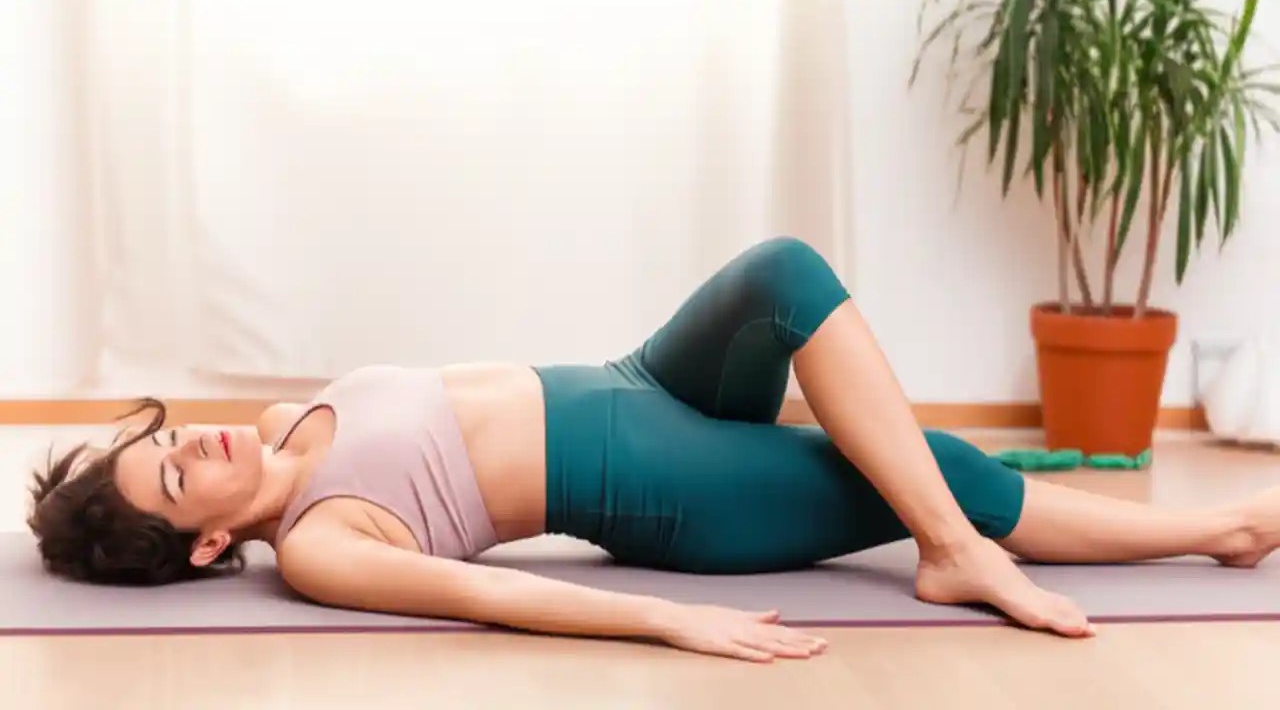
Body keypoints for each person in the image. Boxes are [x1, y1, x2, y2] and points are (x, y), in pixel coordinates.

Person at [25, 236, 1280, 663]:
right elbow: (493, 594)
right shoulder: (320, 547)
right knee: (933, 469)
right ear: (204, 541)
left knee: (784, 272)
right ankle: (1211, 529)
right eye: (180, 473)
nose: (193, 442)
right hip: (667, 493)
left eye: (168, 440)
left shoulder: (296, 419)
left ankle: (965, 538)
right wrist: (666, 624)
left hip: (642, 380)